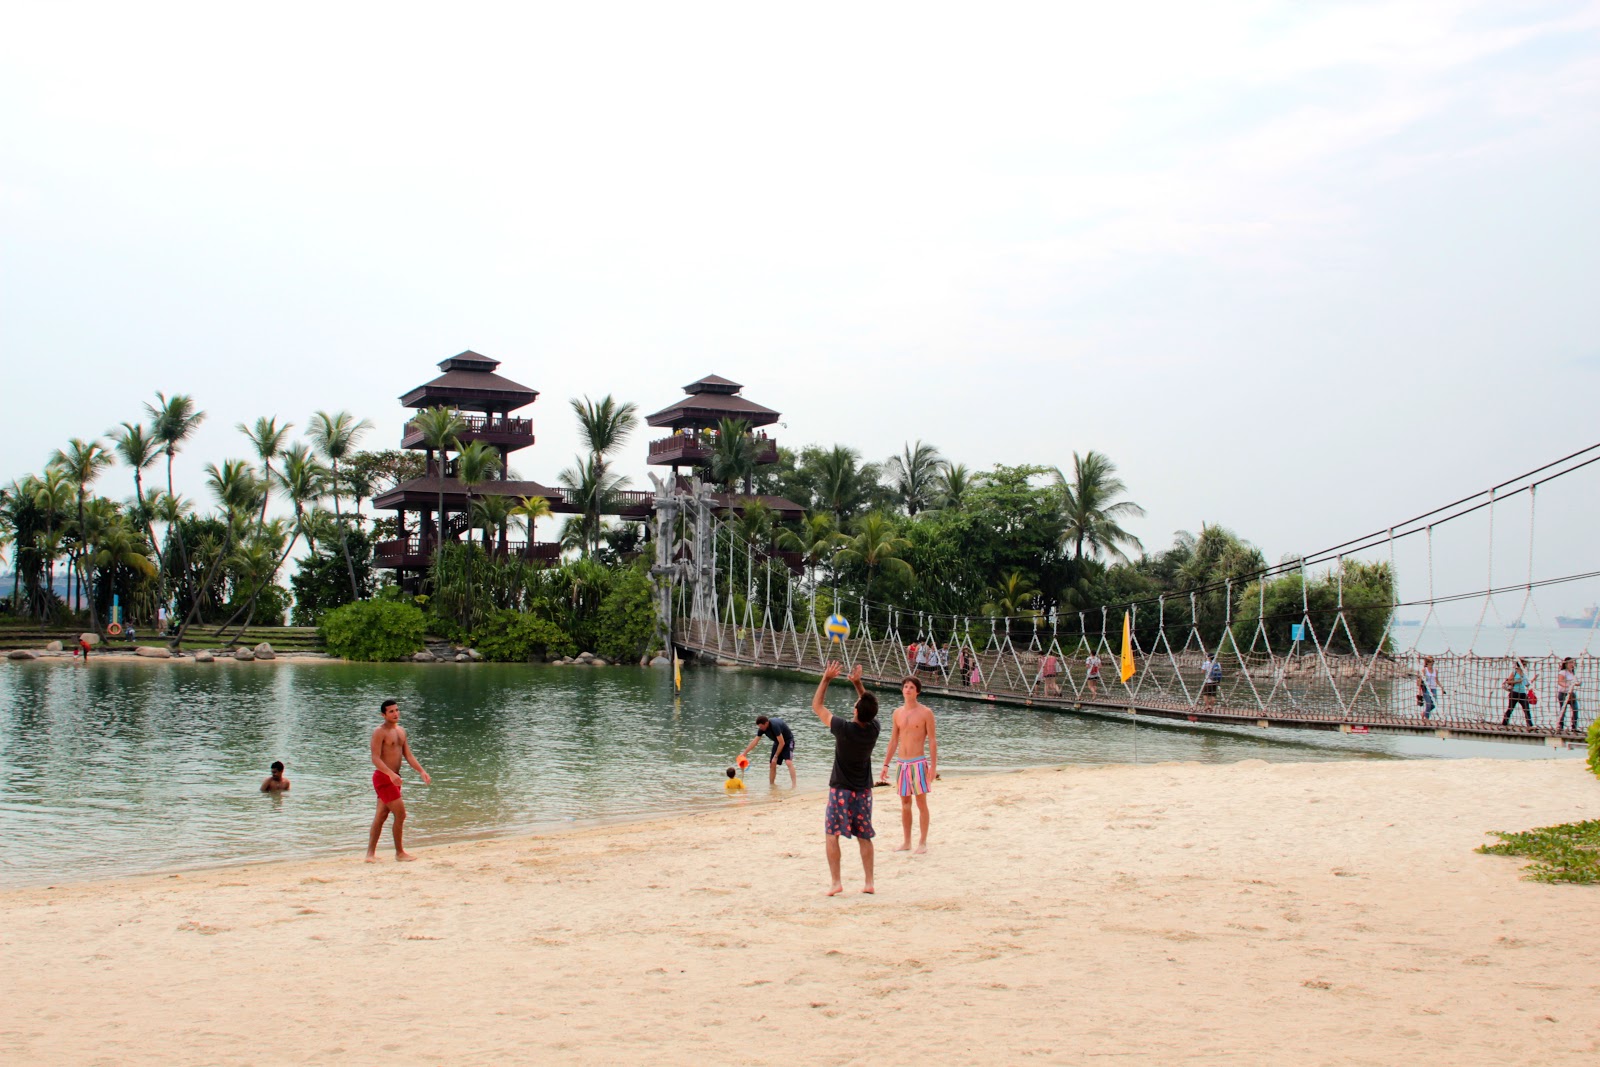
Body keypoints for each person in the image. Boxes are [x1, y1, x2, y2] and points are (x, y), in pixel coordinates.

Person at [812, 661, 880, 896]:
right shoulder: (874, 729)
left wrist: (826, 678)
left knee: (832, 834)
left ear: (856, 711)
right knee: (864, 836)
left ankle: (836, 882)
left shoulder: (843, 728)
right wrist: (858, 684)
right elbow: (870, 706)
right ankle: (869, 882)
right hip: (863, 791)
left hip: (841, 790)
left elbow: (817, 705)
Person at [877, 675, 939, 854]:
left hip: (918, 763)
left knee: (921, 803)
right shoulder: (897, 713)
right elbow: (893, 740)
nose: (908, 690)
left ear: (917, 691)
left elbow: (932, 740)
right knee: (905, 804)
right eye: (905, 687)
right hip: (901, 764)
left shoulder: (926, 713)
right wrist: (885, 764)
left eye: (911, 687)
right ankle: (906, 842)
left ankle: (923, 842)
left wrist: (933, 767)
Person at [367, 699, 431, 862]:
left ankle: (370, 855)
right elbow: (375, 758)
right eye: (391, 711)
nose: (395, 713)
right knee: (401, 814)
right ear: (383, 715)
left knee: (381, 815)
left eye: (396, 710)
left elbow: (408, 755)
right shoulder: (379, 732)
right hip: (384, 777)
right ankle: (399, 853)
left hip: (395, 778)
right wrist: (390, 774)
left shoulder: (401, 731)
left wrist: (421, 771)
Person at [737, 714, 797, 787]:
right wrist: (744, 753)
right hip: (778, 742)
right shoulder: (762, 729)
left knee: (788, 762)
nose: (760, 728)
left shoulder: (775, 726)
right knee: (772, 764)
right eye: (759, 727)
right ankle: (772, 786)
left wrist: (776, 756)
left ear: (766, 723)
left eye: (761, 726)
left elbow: (782, 743)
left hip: (788, 741)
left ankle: (794, 785)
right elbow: (755, 742)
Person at [1502, 658, 1534, 727]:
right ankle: (1504, 723)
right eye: (1524, 664)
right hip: (1514, 692)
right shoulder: (1515, 672)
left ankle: (1530, 725)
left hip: (1523, 693)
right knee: (1510, 709)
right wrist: (1517, 681)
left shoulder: (1524, 673)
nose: (1525, 666)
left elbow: (1526, 684)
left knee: (1526, 709)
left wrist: (1533, 679)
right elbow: (1508, 681)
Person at [1555, 656, 1581, 732]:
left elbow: (1574, 682)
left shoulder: (1573, 673)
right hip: (1563, 694)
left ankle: (1574, 727)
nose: (1572, 664)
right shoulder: (1563, 672)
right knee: (1563, 710)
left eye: (1573, 662)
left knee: (1575, 709)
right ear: (1566, 664)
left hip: (1571, 694)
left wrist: (1577, 684)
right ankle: (1560, 727)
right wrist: (1567, 686)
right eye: (1570, 662)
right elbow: (1560, 682)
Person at [1416, 656, 1441, 720]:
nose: (1432, 663)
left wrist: (1442, 687)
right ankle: (1426, 718)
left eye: (1432, 661)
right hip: (1426, 688)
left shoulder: (1435, 671)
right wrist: (1419, 688)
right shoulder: (1424, 670)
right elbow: (1420, 680)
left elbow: (1436, 680)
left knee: (1434, 704)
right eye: (1430, 661)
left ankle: (1424, 713)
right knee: (1428, 704)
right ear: (1427, 662)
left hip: (1433, 688)